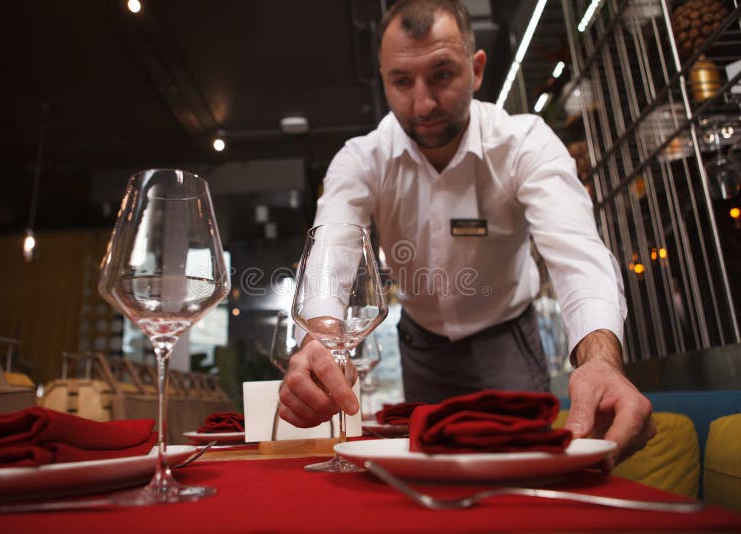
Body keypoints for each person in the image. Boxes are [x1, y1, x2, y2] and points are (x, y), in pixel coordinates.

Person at [278, 0, 654, 468]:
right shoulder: (361, 159)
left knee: (525, 470)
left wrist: (600, 361)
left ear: (476, 70)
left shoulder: (523, 142)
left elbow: (577, 253)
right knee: (427, 469)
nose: (423, 103)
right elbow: (330, 253)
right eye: (402, 81)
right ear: (384, 79)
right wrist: (320, 339)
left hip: (508, 336)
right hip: (422, 344)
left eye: (441, 75)